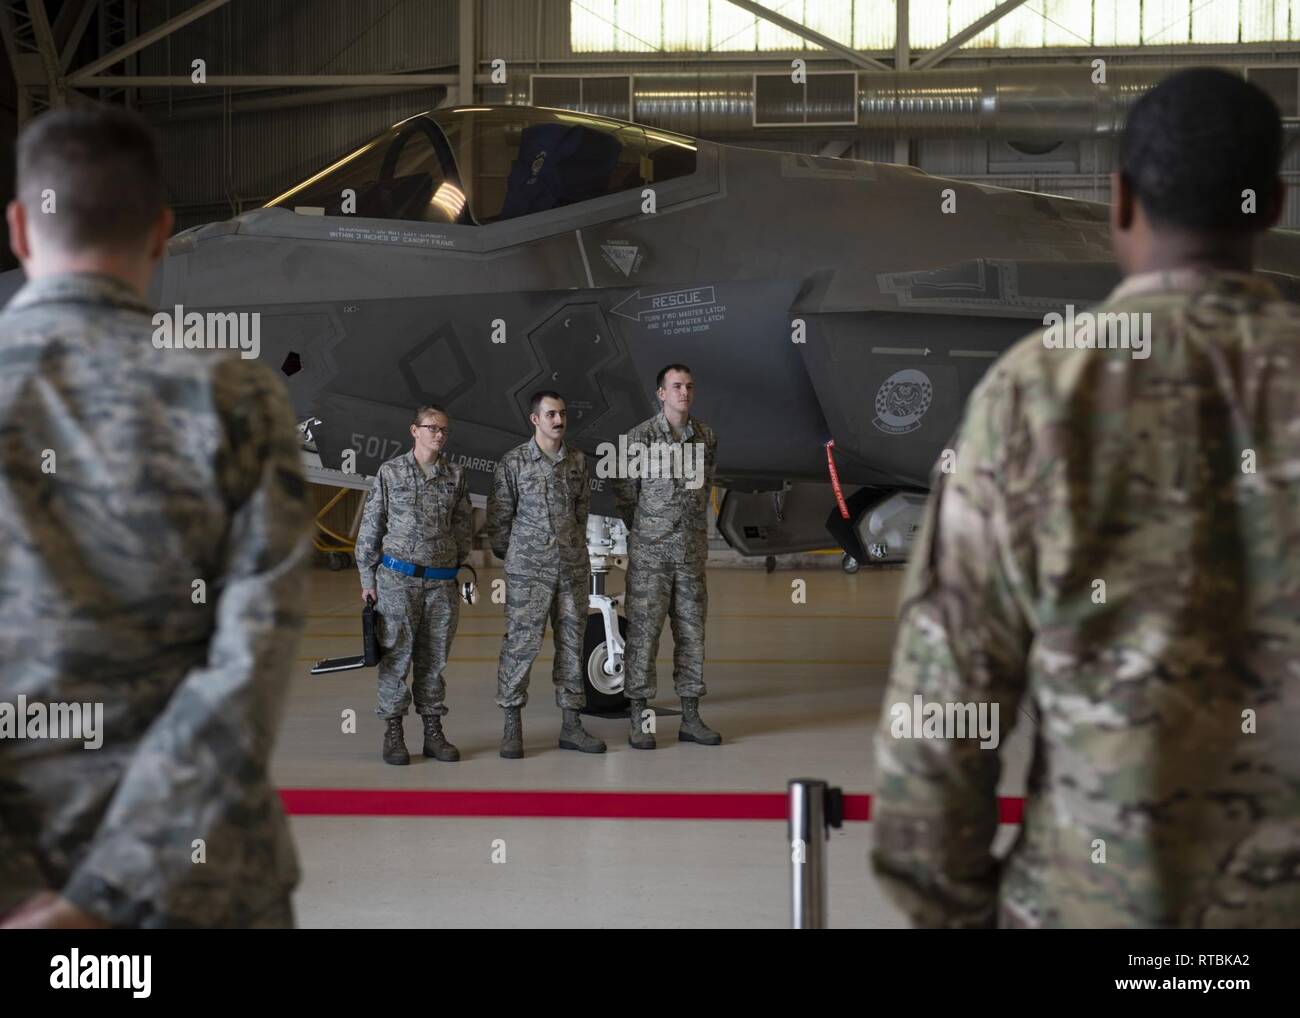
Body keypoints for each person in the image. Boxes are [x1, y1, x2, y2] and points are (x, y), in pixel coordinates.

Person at [871, 67, 1300, 928]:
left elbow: (942, 714)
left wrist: (960, 913)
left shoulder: (1034, 396)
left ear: (1120, 202)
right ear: (1272, 206)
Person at [0, 108, 311, 928]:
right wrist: (104, 894)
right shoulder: (234, 396)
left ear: (21, 229)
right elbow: (251, 664)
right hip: (199, 888)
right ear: (164, 231)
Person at [487, 391, 604, 757]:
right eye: (551, 414)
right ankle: (511, 727)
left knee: (572, 645)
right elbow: (499, 519)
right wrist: (521, 556)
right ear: (535, 419)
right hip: (529, 573)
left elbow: (582, 510)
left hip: (571, 569)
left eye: (563, 413)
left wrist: (571, 549)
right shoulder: (515, 462)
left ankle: (571, 725)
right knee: (521, 646)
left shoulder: (576, 461)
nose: (559, 420)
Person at [356, 404, 472, 765]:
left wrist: (455, 566)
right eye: (432, 428)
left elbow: (463, 526)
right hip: (397, 581)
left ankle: (433, 733)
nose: (439, 434)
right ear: (414, 430)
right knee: (396, 657)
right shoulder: (391, 472)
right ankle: (394, 733)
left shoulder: (455, 475)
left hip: (441, 585)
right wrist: (367, 578)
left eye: (443, 430)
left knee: (434, 660)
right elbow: (371, 527)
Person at [612, 364, 720, 750]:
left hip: (690, 557)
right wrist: (648, 532)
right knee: (644, 636)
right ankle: (640, 718)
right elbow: (626, 496)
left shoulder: (705, 437)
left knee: (692, 635)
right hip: (651, 558)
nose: (684, 393)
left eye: (689, 386)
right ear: (661, 393)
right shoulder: (638, 438)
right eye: (676, 387)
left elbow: (706, 486)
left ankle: (690, 716)